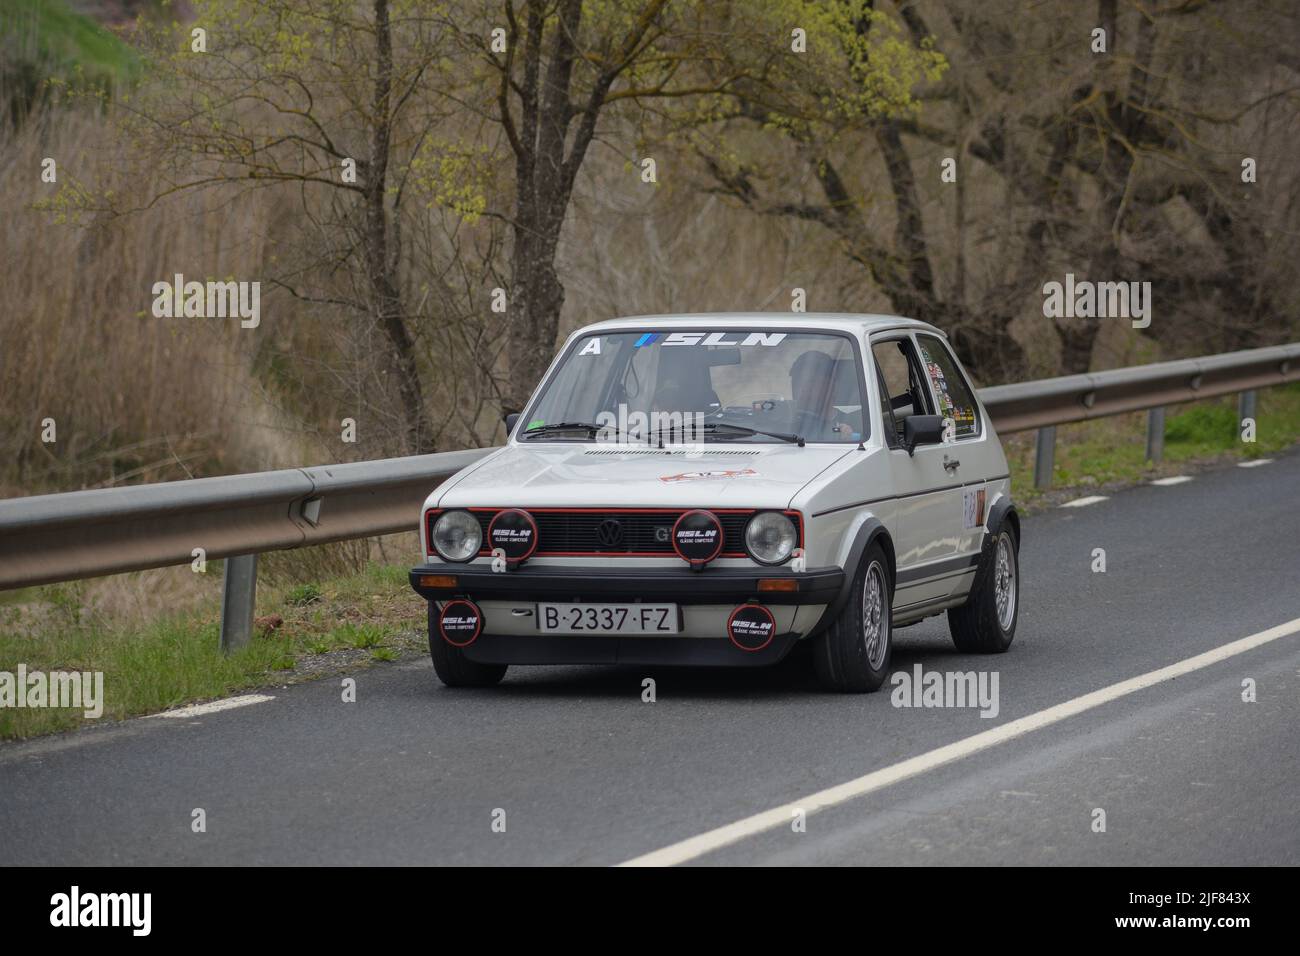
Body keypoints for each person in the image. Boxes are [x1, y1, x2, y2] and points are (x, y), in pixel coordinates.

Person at [789, 350, 855, 441]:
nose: (802, 388)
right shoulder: (785, 421)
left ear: (831, 386)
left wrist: (849, 438)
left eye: (811, 382)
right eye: (797, 381)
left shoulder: (858, 427)